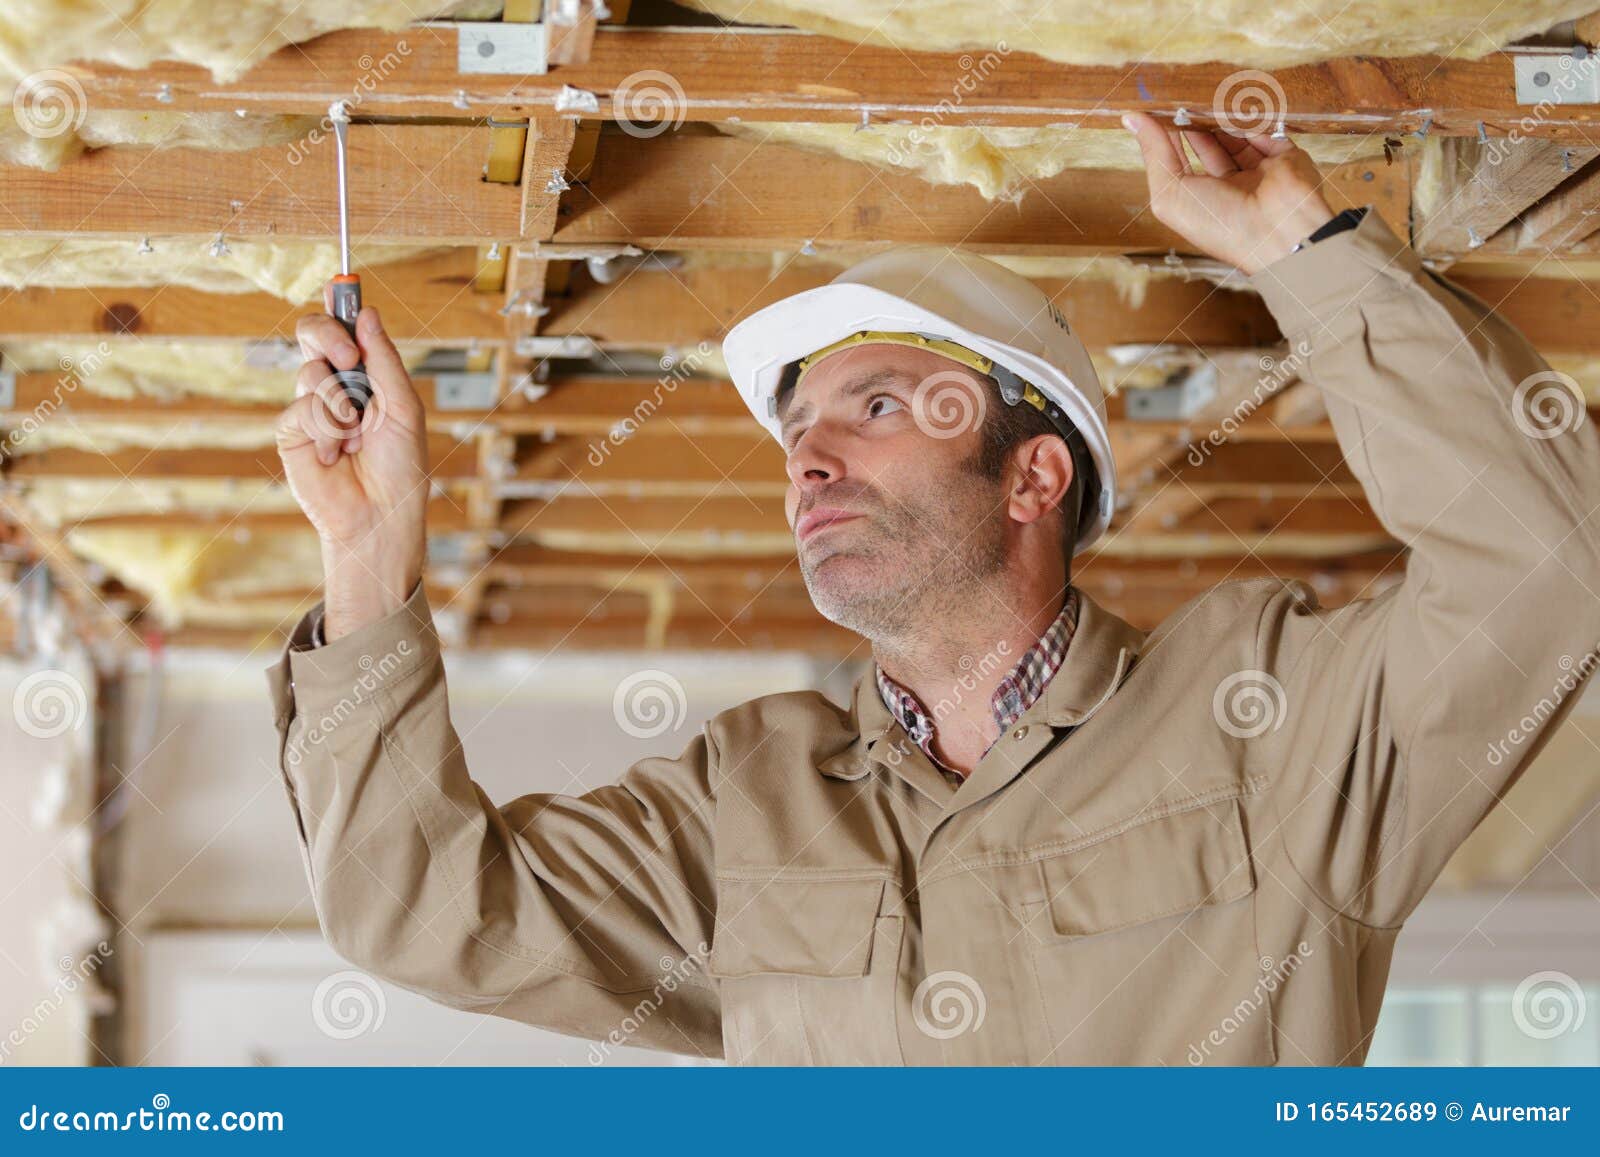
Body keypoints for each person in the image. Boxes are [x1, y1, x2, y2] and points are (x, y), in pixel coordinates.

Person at [267, 114, 1600, 1065]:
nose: (811, 460)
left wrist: (1310, 253)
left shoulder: (1271, 725)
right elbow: (420, 910)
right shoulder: (750, 802)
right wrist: (369, 556)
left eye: (878, 407)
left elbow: (1550, 568)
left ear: (1032, 476)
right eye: (798, 435)